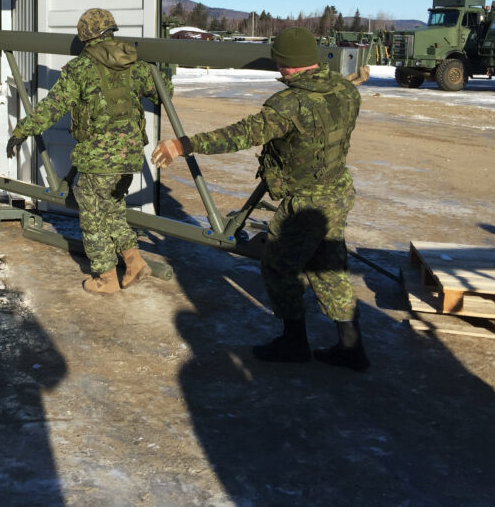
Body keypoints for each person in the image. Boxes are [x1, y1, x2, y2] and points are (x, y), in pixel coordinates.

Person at [152, 27, 368, 371]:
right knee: (328, 267)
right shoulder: (345, 90)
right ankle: (351, 348)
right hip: (337, 192)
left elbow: (241, 134)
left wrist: (183, 145)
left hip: (306, 203)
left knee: (278, 267)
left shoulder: (288, 104)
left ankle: (294, 343)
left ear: (284, 64)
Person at [6, 8, 173, 294]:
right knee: (113, 208)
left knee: (92, 215)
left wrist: (22, 130)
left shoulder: (80, 69)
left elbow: (52, 107)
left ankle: (105, 278)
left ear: (85, 37)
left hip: (99, 158)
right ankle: (134, 263)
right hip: (130, 155)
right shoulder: (136, 63)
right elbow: (164, 90)